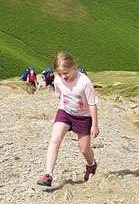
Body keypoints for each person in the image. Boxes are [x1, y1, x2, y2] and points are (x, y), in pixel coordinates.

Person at [38, 52, 99, 188]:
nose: (63, 76)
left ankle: (91, 165)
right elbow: (60, 95)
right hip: (65, 113)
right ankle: (48, 174)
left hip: (83, 117)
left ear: (74, 67)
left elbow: (92, 104)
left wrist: (94, 125)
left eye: (66, 73)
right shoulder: (58, 79)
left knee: (84, 149)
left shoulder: (84, 82)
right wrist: (65, 107)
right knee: (55, 139)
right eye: (60, 74)